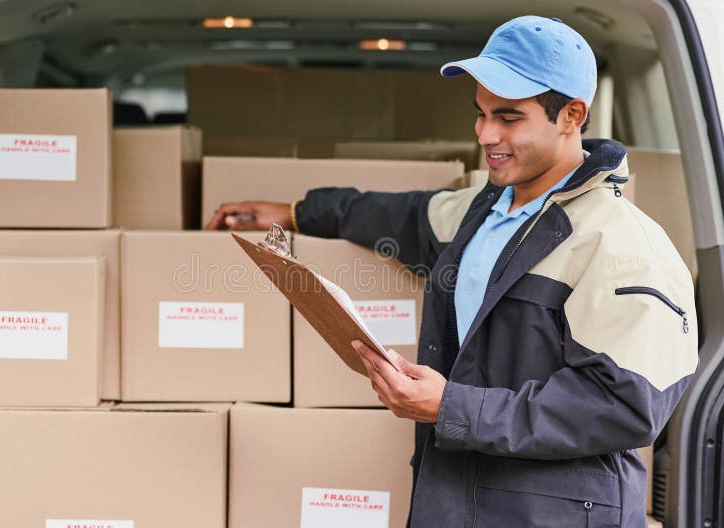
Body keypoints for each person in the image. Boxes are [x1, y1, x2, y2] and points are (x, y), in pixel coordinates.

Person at [206, 16, 697, 527]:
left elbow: (624, 407)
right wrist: (297, 211)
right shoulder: (482, 213)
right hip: (454, 504)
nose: (485, 134)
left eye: (508, 117)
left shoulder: (622, 246)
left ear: (572, 115)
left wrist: (452, 408)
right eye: (481, 114)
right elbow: (399, 214)